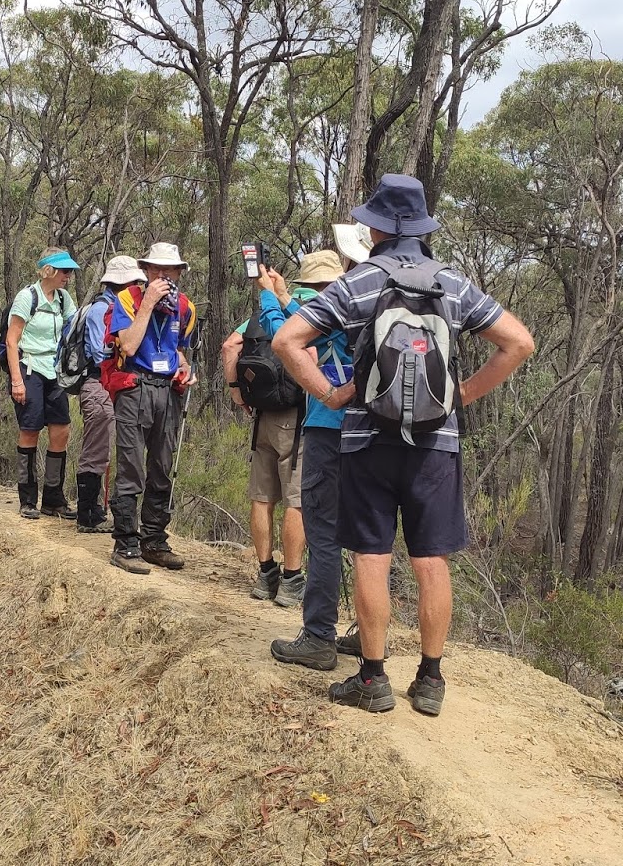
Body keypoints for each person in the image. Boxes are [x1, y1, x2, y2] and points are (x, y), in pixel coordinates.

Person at [273, 175, 535, 716]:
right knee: (430, 559)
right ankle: (431, 678)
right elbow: (519, 342)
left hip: (368, 439)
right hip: (436, 444)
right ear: (420, 228)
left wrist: (330, 393)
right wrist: (461, 395)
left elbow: (286, 340)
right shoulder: (454, 286)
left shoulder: (357, 285)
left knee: (372, 555)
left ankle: (372, 680)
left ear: (375, 230)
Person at [220, 252, 343, 607]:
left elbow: (230, 345)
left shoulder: (267, 309)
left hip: (264, 414)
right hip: (302, 414)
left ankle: (264, 573)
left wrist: (237, 392)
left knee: (262, 495)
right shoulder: (326, 312)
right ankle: (291, 580)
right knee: (297, 500)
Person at [264, 239, 364, 669]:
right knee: (368, 541)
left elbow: (282, 336)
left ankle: (319, 634)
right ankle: (368, 631)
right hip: (369, 430)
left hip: (328, 427)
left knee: (322, 534)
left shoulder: (328, 313)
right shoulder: (366, 309)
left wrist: (269, 297)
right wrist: (283, 296)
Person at [103, 242, 199, 574]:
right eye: (156, 269)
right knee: (131, 466)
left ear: (179, 273)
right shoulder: (127, 300)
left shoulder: (185, 308)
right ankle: (125, 543)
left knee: (162, 466)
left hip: (167, 392)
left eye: (169, 270)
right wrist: (148, 303)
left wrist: (185, 368)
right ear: (145, 271)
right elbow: (127, 345)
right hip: (134, 386)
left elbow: (179, 350)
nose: (162, 276)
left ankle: (154, 539)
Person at [5, 248, 81, 520]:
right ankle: (27, 499)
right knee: (30, 429)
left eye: (70, 272)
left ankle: (53, 498)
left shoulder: (63, 299)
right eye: (64, 271)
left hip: (55, 371)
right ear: (48, 270)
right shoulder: (28, 297)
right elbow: (12, 340)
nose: (68, 277)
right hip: (29, 368)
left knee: (61, 430)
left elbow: (75, 327)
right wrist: (17, 381)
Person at [75, 256, 146, 533]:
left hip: (114, 383)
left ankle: (98, 511)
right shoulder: (99, 310)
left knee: (108, 448)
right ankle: (87, 514)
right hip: (96, 382)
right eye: (133, 282)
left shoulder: (122, 308)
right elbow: (98, 351)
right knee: (96, 447)